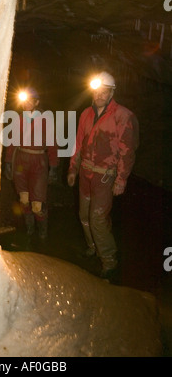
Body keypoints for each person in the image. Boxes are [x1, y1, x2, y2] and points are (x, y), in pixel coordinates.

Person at [67, 71, 139, 279]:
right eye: (96, 91)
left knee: (98, 219)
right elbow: (78, 144)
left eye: (104, 91)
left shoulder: (123, 116)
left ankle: (109, 260)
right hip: (85, 173)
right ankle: (93, 248)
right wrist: (73, 169)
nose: (99, 95)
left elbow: (127, 151)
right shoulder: (85, 115)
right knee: (84, 216)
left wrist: (121, 179)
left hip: (105, 176)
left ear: (111, 93)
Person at [4, 87, 58, 244]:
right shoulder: (18, 119)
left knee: (37, 204)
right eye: (24, 100)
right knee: (24, 199)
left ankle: (42, 233)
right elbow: (12, 142)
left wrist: (53, 167)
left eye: (30, 101)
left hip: (38, 162)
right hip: (20, 160)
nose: (26, 104)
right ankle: (29, 229)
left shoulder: (45, 120)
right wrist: (8, 163)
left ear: (37, 102)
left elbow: (52, 144)